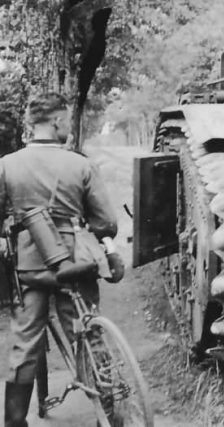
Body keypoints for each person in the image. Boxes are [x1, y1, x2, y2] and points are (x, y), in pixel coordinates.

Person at [0, 92, 123, 427]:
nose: (68, 126)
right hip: (75, 264)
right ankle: (109, 415)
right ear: (55, 122)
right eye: (66, 120)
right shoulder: (80, 165)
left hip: (29, 268)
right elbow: (105, 222)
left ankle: (14, 421)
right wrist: (109, 249)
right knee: (88, 333)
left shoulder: (7, 165)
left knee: (25, 342)